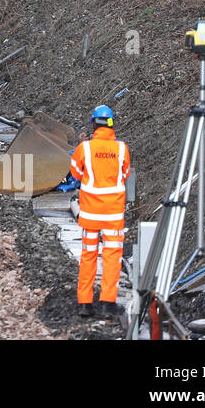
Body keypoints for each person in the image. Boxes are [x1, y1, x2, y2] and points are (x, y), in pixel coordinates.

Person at [70, 106, 132, 318]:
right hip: (113, 214)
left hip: (90, 214)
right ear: (112, 124)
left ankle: (85, 304)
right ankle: (107, 302)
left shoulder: (84, 148)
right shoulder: (122, 149)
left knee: (88, 256)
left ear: (93, 124)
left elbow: (75, 173)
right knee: (112, 257)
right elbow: (124, 174)